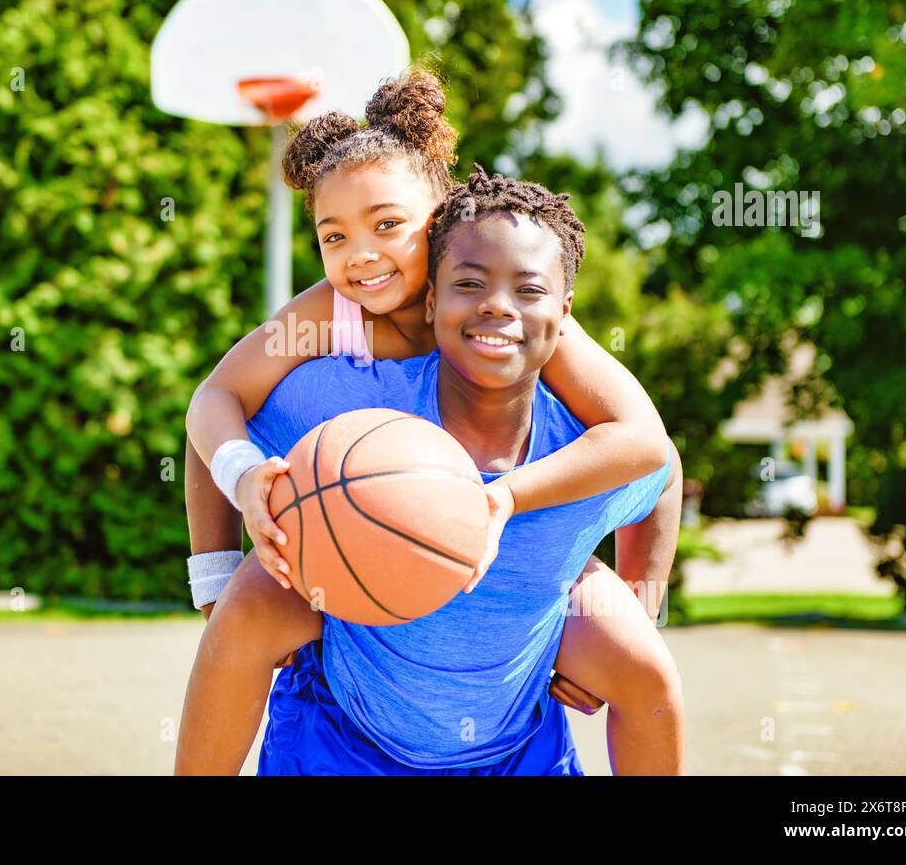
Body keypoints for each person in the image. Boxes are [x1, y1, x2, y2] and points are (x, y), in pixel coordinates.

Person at [177, 165, 683, 774]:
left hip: (511, 735)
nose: (362, 256)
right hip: (348, 722)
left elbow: (658, 463)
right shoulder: (344, 389)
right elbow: (215, 410)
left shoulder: (572, 420)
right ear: (436, 291)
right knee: (257, 591)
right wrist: (216, 568)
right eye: (333, 236)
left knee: (645, 666)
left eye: (387, 224)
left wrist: (639, 604)